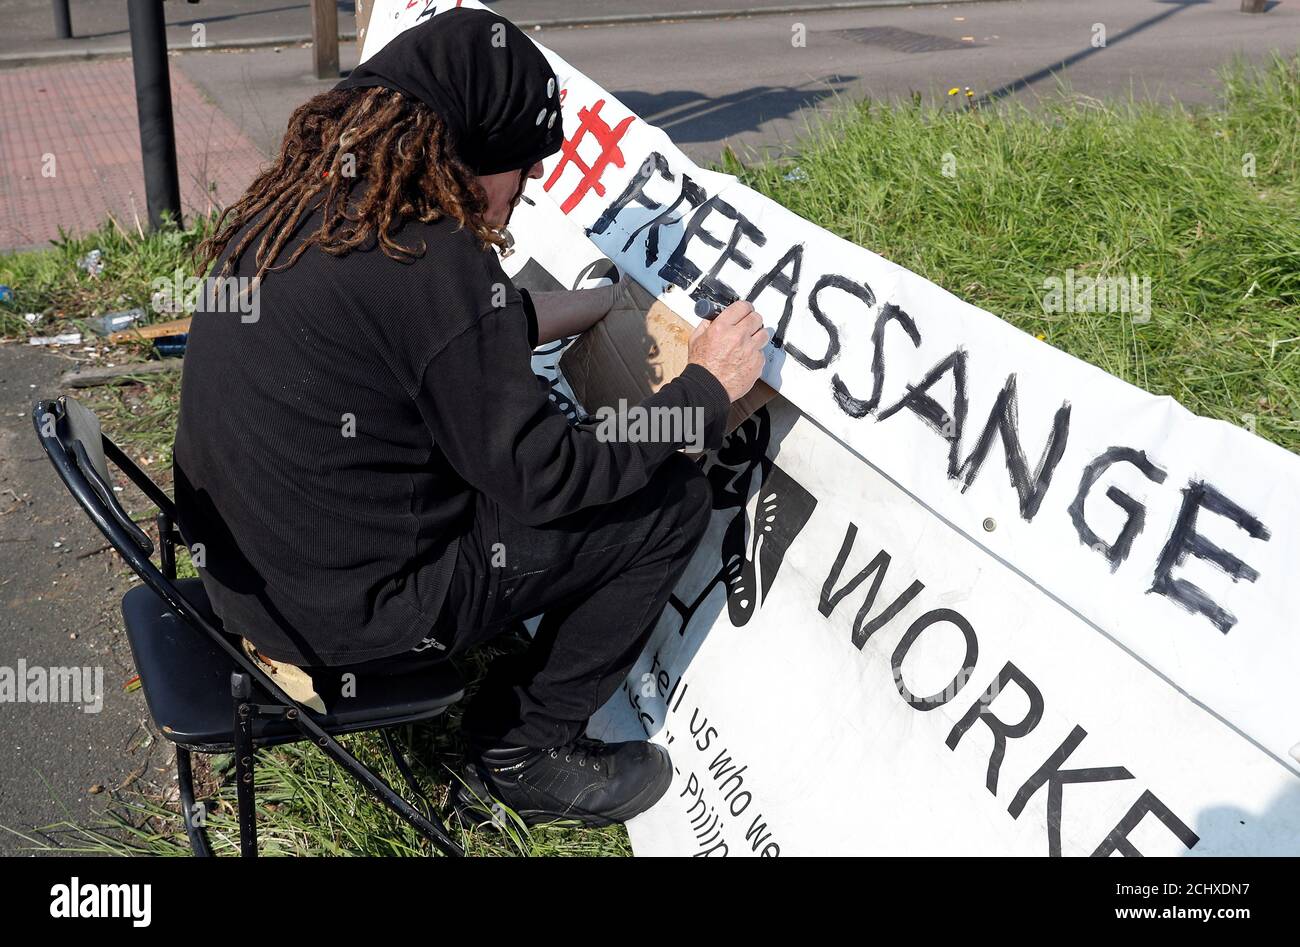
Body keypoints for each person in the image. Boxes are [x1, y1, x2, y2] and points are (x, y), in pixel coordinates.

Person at [172, 9, 767, 827]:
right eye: (522, 168)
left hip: (254, 582)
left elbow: (419, 338)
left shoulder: (309, 201)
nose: (521, 197)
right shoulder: (432, 255)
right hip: (347, 622)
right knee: (665, 507)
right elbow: (551, 477)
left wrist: (585, 306)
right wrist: (705, 388)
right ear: (475, 153)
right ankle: (523, 749)